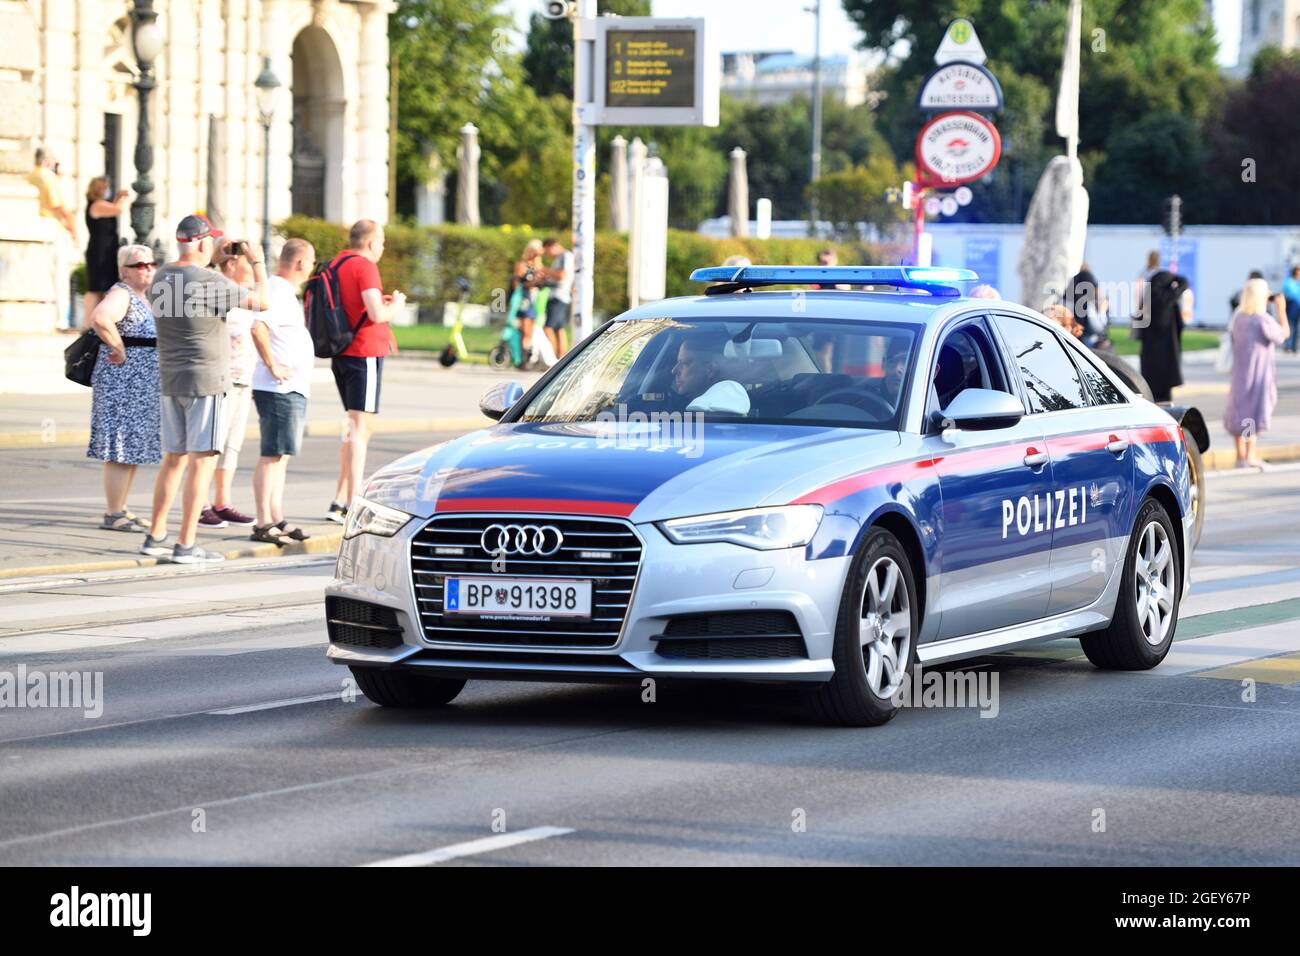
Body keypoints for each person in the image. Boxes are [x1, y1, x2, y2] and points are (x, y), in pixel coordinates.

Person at [142, 214, 268, 564]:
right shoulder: (209, 280)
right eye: (211, 240)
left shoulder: (162, 277)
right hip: (207, 379)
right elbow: (262, 301)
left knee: (173, 460)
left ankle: (155, 535)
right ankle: (186, 543)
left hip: (171, 377)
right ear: (200, 243)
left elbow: (191, 285)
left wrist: (215, 257)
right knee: (202, 462)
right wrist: (256, 259)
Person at [325, 219, 406, 524]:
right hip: (365, 351)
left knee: (352, 427)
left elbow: (353, 304)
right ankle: (353, 502)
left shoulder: (337, 263)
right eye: (382, 242)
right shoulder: (365, 266)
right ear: (371, 242)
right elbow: (376, 313)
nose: (383, 247)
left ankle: (339, 499)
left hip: (341, 351)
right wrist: (396, 305)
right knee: (360, 430)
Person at [86, 244, 160, 532]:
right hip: (123, 382)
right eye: (139, 265)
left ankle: (122, 508)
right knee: (120, 448)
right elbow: (101, 317)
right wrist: (118, 347)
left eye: (151, 264)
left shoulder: (145, 297)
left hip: (139, 384)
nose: (148, 269)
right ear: (124, 271)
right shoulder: (121, 293)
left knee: (132, 449)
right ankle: (113, 512)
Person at [249, 238, 317, 544]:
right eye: (311, 262)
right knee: (272, 454)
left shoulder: (284, 292)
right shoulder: (276, 290)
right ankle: (263, 522)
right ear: (301, 263)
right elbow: (258, 328)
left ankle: (276, 516)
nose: (312, 268)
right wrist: (273, 365)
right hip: (277, 387)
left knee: (282, 455)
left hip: (290, 387)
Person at [198, 240, 261, 529]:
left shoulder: (242, 295)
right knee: (211, 446)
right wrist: (213, 260)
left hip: (242, 379)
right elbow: (192, 283)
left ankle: (222, 502)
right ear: (232, 264)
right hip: (220, 380)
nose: (251, 269)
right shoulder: (218, 290)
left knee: (231, 445)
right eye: (246, 263)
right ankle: (200, 504)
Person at [1224, 277, 1290, 469]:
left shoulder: (1239, 318)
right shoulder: (1262, 320)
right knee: (1252, 412)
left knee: (1240, 410)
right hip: (1258, 373)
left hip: (1240, 373)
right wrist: (1281, 310)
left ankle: (1240, 456)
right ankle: (1249, 455)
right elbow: (1283, 335)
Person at [29, 148, 77, 329]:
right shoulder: (48, 178)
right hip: (52, 228)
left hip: (37, 228)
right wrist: (73, 230)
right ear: (48, 161)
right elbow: (60, 207)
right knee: (59, 276)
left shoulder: (31, 176)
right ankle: (61, 320)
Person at [1136, 266, 1189, 403]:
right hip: (1165, 359)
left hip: (1149, 360)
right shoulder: (1167, 300)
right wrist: (1174, 278)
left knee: (1150, 397)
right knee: (1165, 401)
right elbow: (1184, 282)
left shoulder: (1147, 301)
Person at [83, 177, 130, 321]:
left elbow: (112, 206)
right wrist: (123, 198)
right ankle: (87, 323)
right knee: (95, 287)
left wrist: (117, 198)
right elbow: (118, 209)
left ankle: (98, 319)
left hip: (106, 250)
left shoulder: (100, 204)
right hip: (99, 251)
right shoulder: (96, 205)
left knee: (104, 286)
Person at [538, 236, 574, 358]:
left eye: (547, 251)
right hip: (558, 295)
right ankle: (561, 356)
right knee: (559, 329)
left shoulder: (565, 256)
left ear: (552, 246)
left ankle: (553, 358)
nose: (548, 255)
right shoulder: (560, 258)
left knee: (548, 328)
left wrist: (544, 270)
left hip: (559, 296)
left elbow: (562, 275)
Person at [510, 239, 544, 354]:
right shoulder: (522, 265)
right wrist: (532, 282)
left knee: (532, 329)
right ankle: (522, 354)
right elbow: (517, 284)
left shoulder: (539, 265)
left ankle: (528, 352)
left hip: (536, 299)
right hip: (525, 298)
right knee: (524, 329)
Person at [1064, 263, 1108, 346]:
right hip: (1085, 340)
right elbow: (1097, 328)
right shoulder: (1088, 303)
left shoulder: (1069, 294)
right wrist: (1102, 311)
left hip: (1069, 337)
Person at [1282, 265, 1300, 354]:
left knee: (1296, 327)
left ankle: (1294, 347)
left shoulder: (1297, 282)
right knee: (1290, 326)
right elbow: (1291, 294)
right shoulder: (1288, 282)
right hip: (1292, 306)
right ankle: (1288, 345)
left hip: (1298, 307)